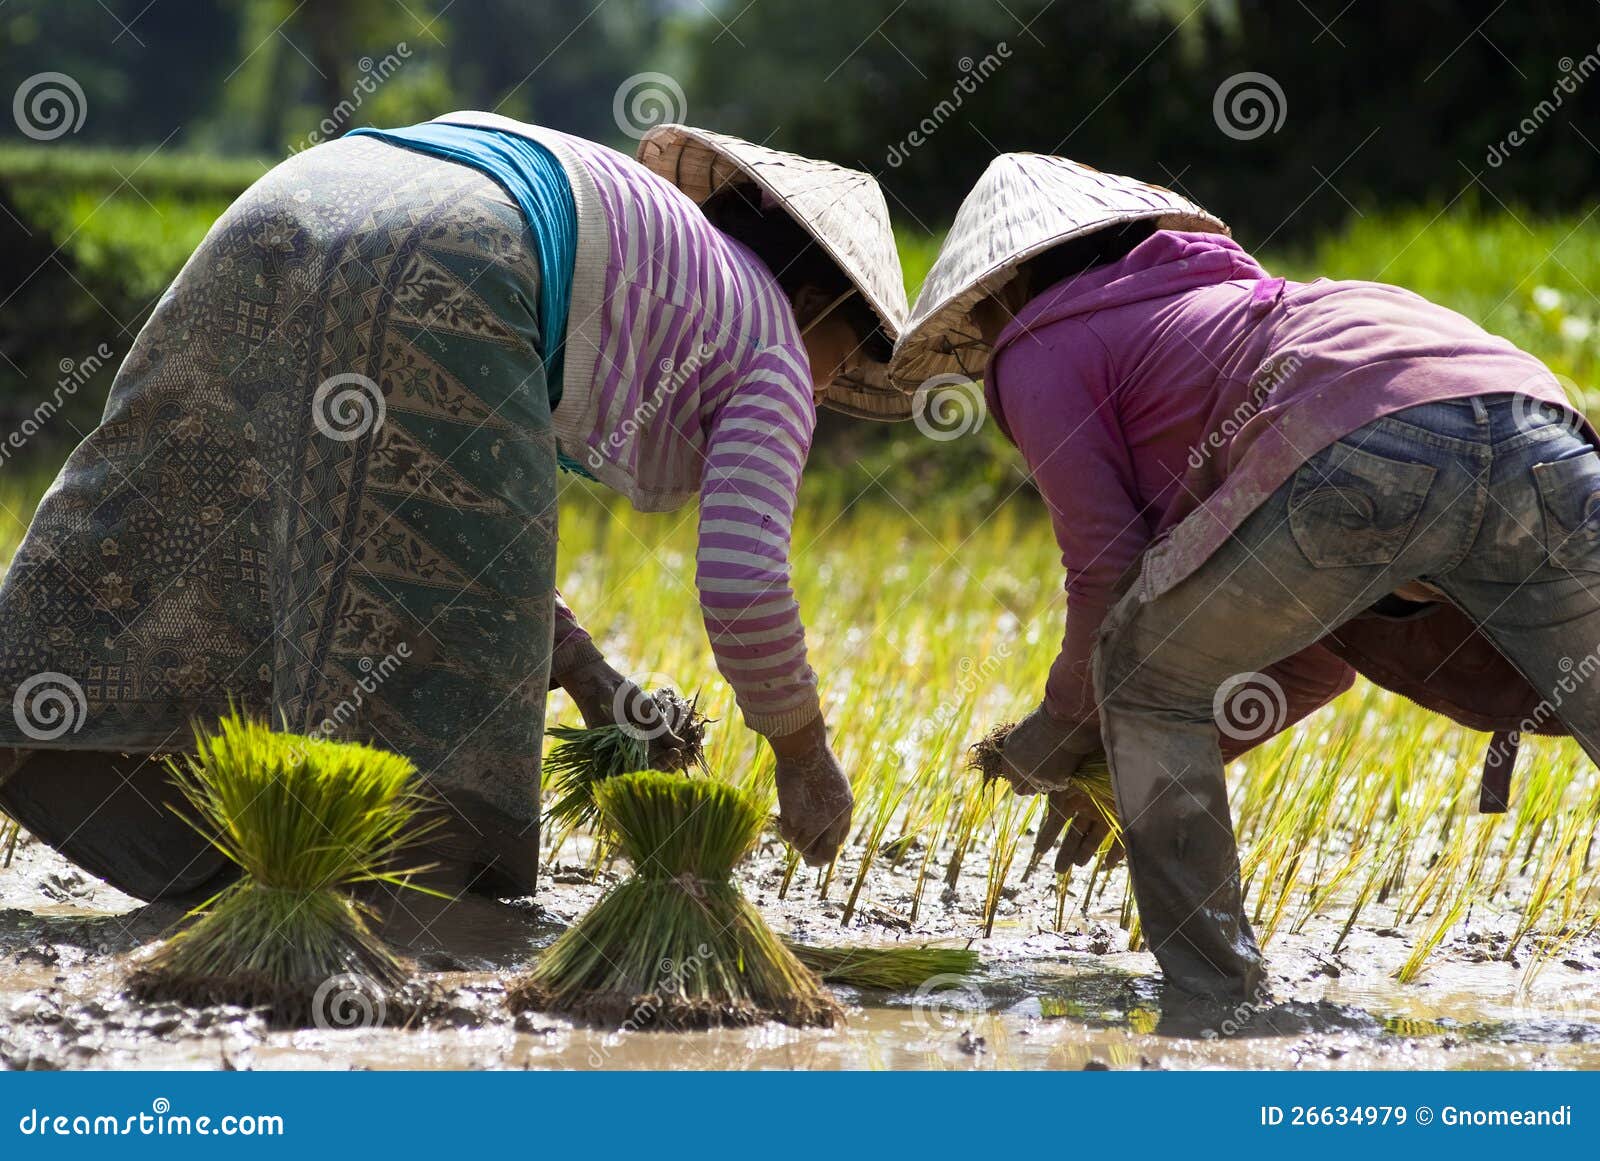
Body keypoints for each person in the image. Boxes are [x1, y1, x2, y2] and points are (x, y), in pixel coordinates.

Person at [0, 114, 910, 902]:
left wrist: (592, 677)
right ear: (816, 301)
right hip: (454, 250)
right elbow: (744, 579)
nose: (825, 395)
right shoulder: (775, 345)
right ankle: (396, 908)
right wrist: (803, 756)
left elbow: (467, 527)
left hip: (292, 204)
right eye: (845, 362)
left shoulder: (658, 266)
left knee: (172, 513)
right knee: (440, 758)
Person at [890, 152, 1596, 1004]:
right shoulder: (1231, 306)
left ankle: (1215, 995)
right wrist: (1129, 773)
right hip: (1544, 430)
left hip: (1356, 444)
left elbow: (1107, 578)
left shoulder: (1035, 345)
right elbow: (1319, 649)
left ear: (999, 294)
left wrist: (1060, 729)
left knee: (1142, 678)